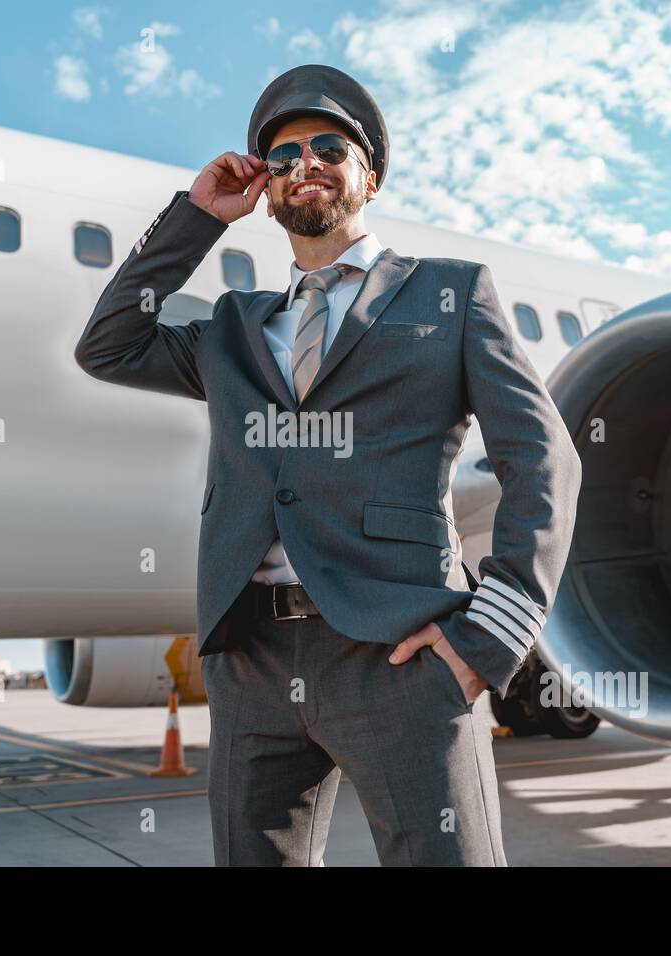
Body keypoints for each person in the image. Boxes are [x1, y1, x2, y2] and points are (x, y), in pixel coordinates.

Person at [75, 64, 581, 866]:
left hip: (403, 654)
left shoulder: (449, 297)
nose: (301, 164)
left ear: (367, 177)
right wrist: (199, 218)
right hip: (253, 664)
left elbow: (544, 458)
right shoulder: (234, 331)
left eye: (326, 148)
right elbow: (107, 346)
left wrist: (490, 637)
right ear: (266, 190)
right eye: (281, 158)